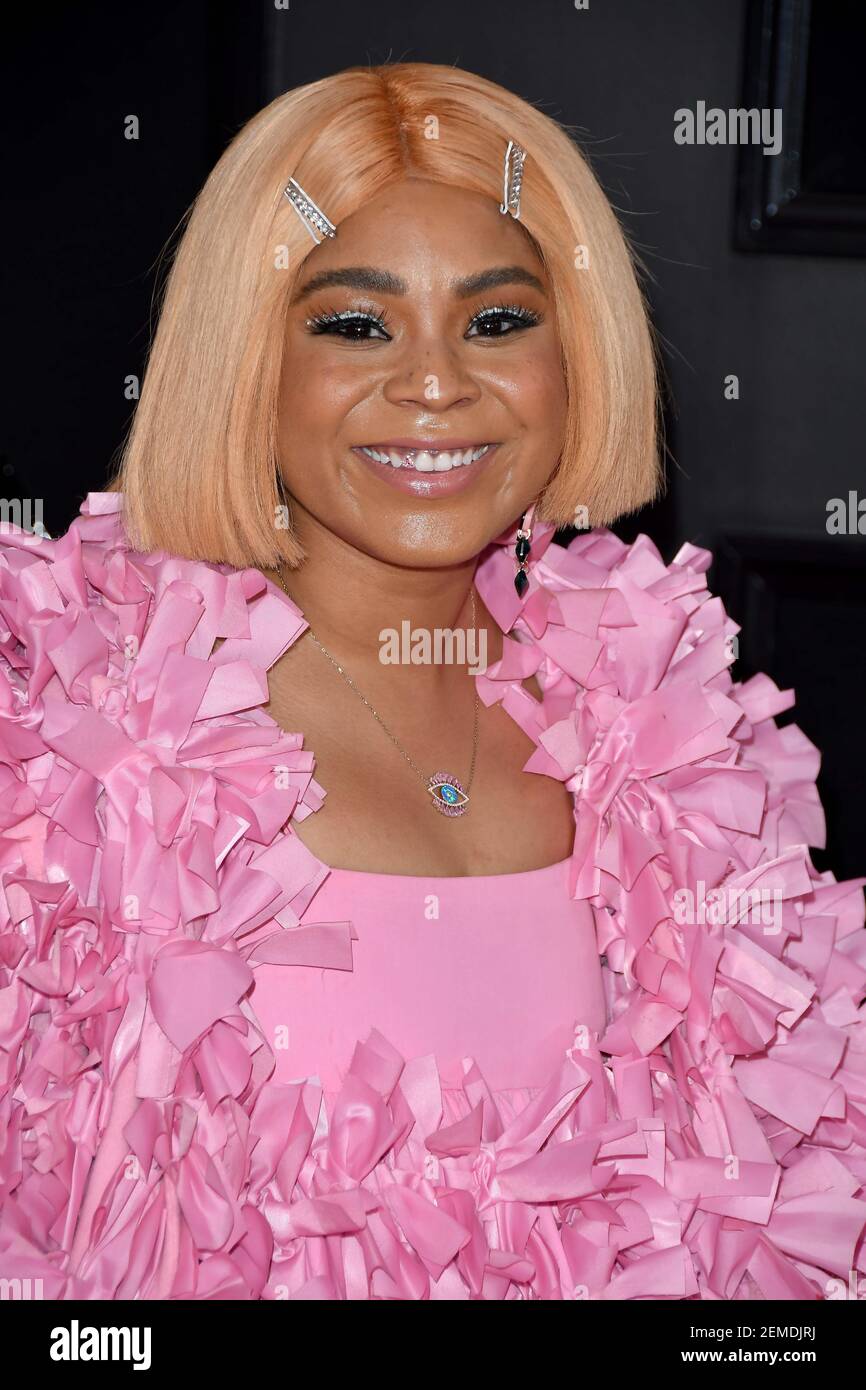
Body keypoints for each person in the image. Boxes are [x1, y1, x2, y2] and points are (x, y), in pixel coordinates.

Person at [1, 61, 864, 1301]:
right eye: (354, 324)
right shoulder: (60, 748)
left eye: (497, 320)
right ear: (244, 361)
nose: (433, 383)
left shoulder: (683, 741)